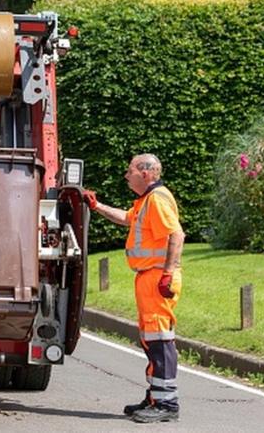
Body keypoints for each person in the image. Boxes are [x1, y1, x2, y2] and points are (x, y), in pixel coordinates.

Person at [83, 153, 185, 424]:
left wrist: (168, 273)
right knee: (152, 339)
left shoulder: (157, 199)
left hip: (158, 277)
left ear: (146, 173)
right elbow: (127, 218)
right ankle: (156, 397)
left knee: (160, 340)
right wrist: (97, 206)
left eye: (130, 171)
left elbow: (176, 234)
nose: (126, 175)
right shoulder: (146, 201)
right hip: (150, 277)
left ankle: (166, 403)